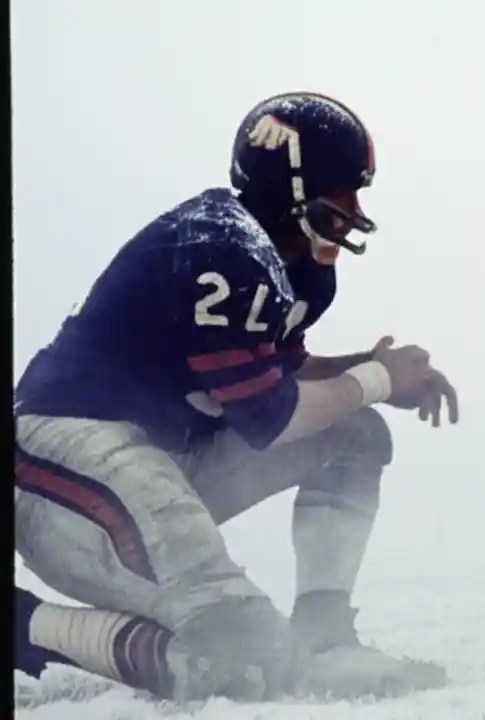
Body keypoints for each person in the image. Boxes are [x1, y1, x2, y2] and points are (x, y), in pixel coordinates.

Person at [13, 91, 459, 702]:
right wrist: (378, 379)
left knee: (355, 431)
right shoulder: (219, 246)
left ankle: (324, 634)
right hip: (63, 460)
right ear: (289, 185)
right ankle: (25, 624)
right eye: (342, 190)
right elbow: (268, 417)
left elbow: (277, 373)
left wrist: (373, 371)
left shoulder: (290, 262)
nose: (354, 210)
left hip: (164, 456)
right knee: (243, 656)